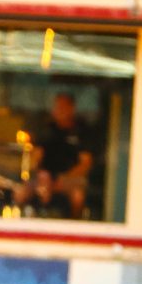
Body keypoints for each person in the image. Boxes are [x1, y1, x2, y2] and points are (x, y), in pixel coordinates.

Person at [31, 91, 99, 219]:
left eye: (63, 106)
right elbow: (36, 157)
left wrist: (66, 178)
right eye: (57, 106)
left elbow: (86, 163)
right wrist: (41, 174)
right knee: (22, 193)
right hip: (46, 177)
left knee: (78, 197)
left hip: (72, 178)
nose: (59, 110)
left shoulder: (81, 131)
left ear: (72, 109)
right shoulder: (47, 129)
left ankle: (74, 228)